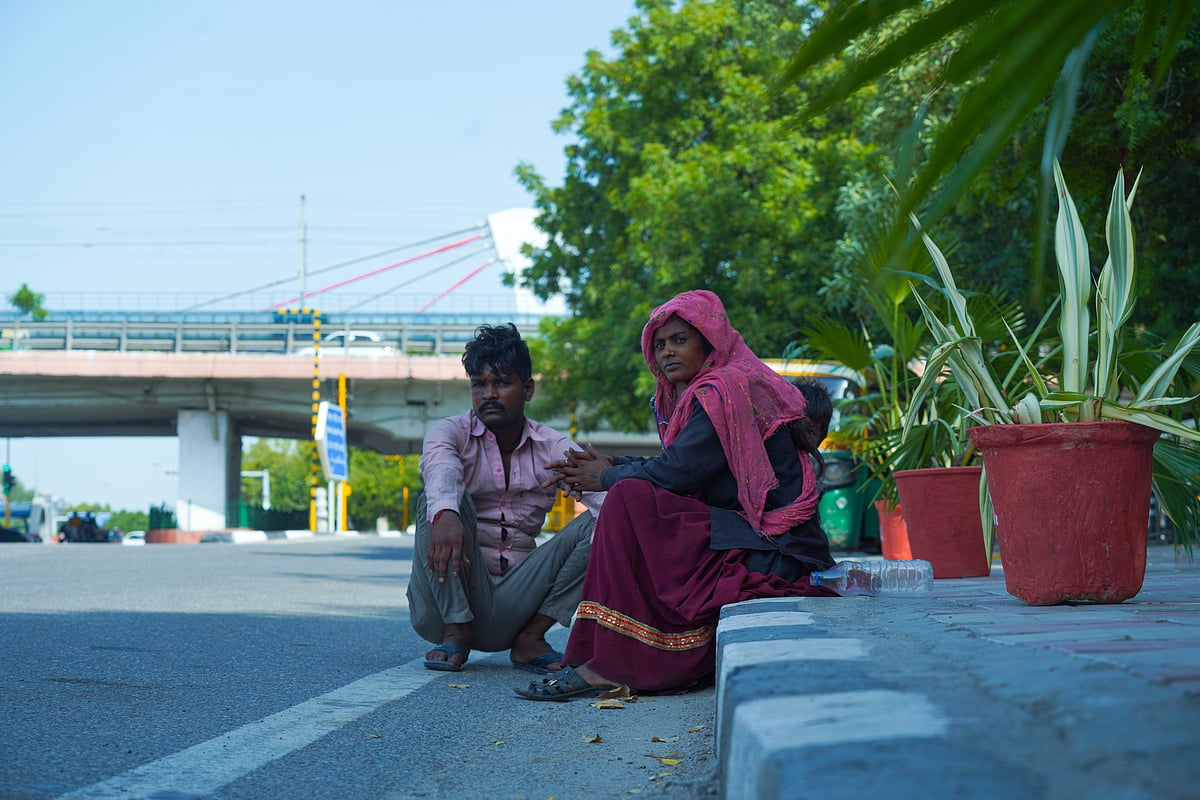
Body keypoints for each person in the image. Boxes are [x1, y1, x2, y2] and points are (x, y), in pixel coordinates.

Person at [516, 289, 839, 701]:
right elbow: (687, 460)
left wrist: (608, 476)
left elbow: (677, 471)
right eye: (660, 344)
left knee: (629, 499)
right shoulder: (713, 389)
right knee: (632, 495)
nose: (667, 352)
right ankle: (614, 651)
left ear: (710, 342)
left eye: (680, 340)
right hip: (755, 536)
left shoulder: (723, 391)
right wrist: (612, 463)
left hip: (779, 550)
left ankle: (611, 661)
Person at [409, 323, 604, 673]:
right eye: (479, 384)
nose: (489, 394)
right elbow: (441, 471)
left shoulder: (552, 447)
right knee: (436, 500)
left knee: (608, 519)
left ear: (527, 389)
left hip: (517, 604)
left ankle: (531, 639)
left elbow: (601, 496)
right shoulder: (449, 432)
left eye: (502, 383)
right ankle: (456, 628)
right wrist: (446, 515)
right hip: (444, 603)